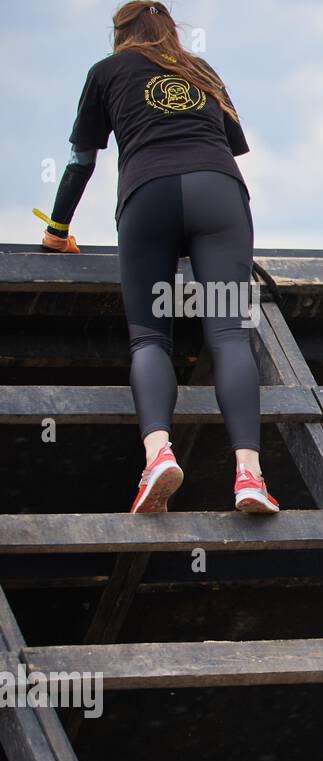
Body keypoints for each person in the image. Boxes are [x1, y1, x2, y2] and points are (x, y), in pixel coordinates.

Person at [35, 1, 278, 515]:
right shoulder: (201, 70)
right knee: (229, 333)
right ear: (171, 30)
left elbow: (82, 160)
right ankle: (250, 477)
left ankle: (157, 455)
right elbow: (227, 148)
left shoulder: (106, 72)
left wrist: (58, 229)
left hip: (147, 196)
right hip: (220, 194)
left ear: (119, 34)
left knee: (149, 337)